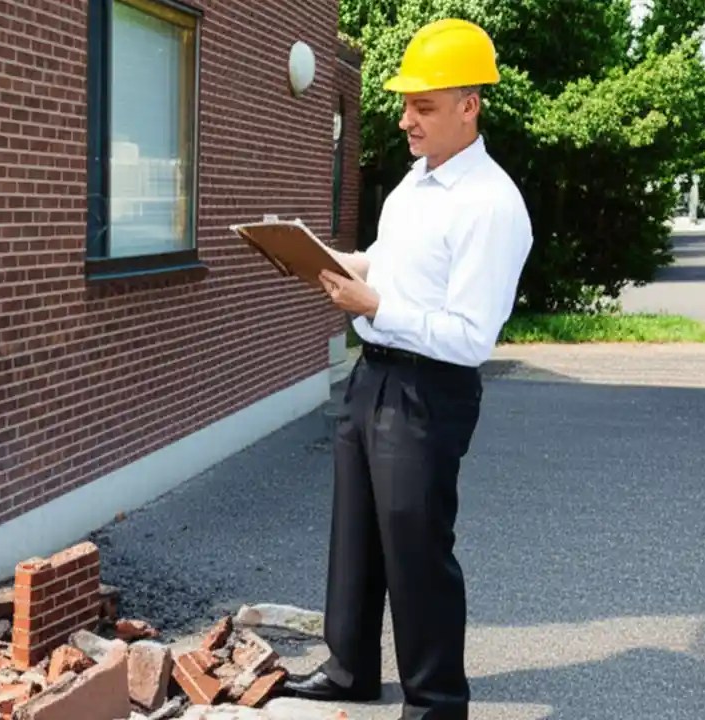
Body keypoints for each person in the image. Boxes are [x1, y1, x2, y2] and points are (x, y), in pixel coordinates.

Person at [280, 18, 533, 720]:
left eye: (422, 106)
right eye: (405, 104)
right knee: (356, 533)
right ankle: (350, 670)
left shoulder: (492, 205)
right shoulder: (414, 184)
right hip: (374, 375)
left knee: (417, 550)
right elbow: (388, 267)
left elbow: (469, 336)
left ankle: (436, 702)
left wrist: (375, 303)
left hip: (429, 390)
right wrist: (337, 266)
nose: (405, 119)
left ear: (468, 105)